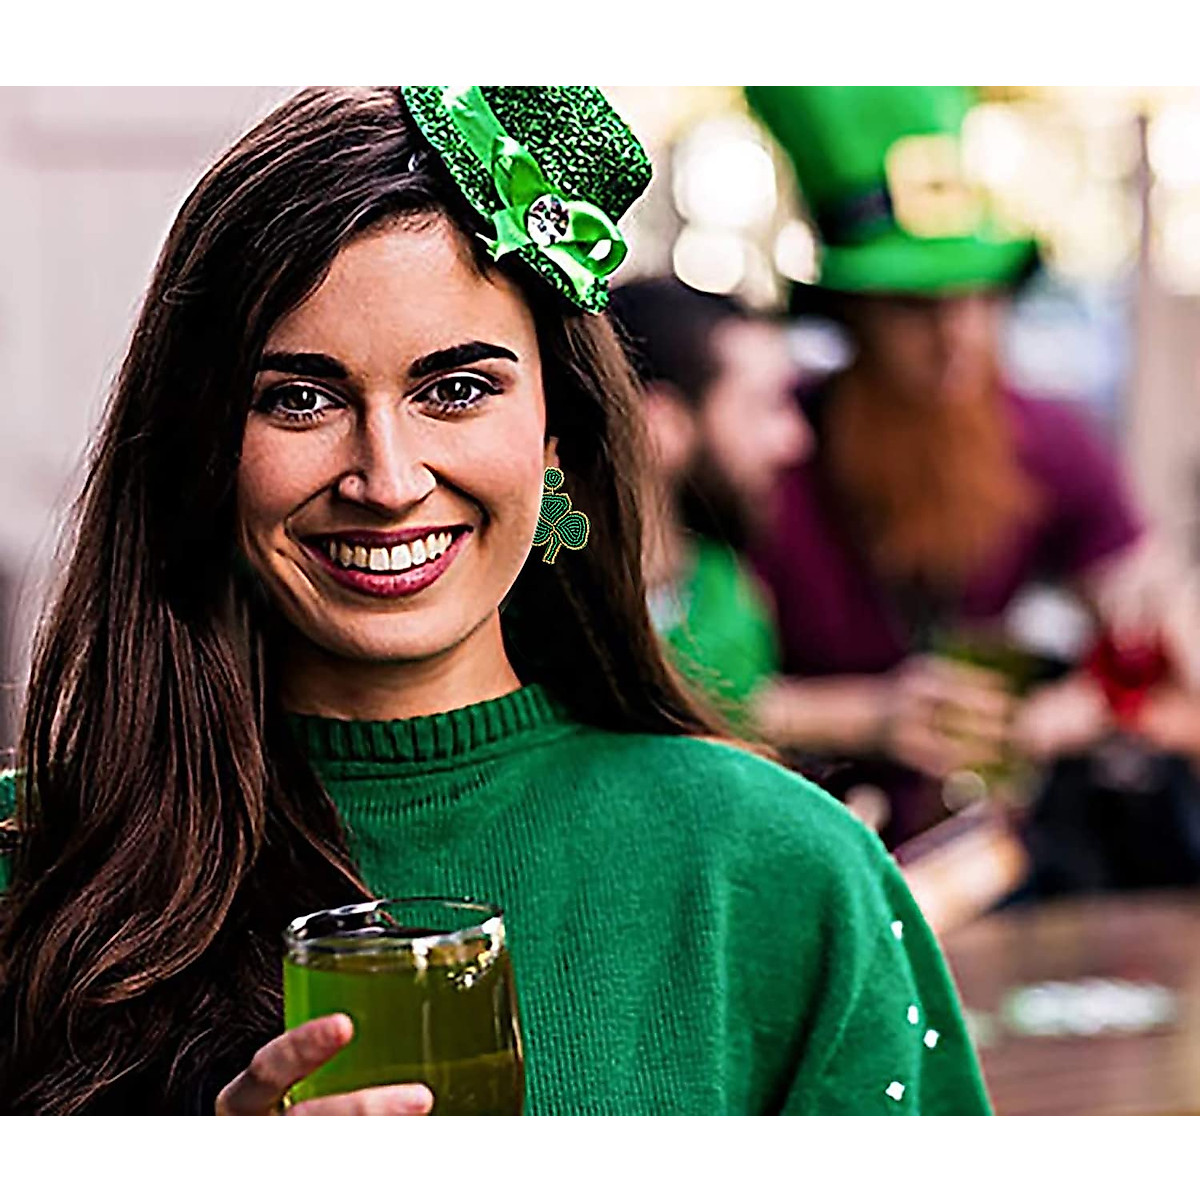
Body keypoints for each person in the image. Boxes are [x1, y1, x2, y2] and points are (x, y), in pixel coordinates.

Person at [0, 86, 988, 1115]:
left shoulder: (782, 871)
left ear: (556, 436)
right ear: (203, 450)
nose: (386, 479)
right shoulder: (37, 870)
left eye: (458, 389)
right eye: (299, 398)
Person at [744, 86, 1200, 847]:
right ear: (853, 312)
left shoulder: (1047, 438)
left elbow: (1152, 635)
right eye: (915, 306)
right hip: (794, 836)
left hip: (985, 846)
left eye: (979, 296)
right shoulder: (767, 446)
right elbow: (671, 693)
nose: (957, 335)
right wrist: (863, 712)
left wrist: (1058, 717)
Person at [608, 278, 810, 733]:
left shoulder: (727, 591)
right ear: (657, 425)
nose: (794, 440)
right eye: (764, 405)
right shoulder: (536, 619)